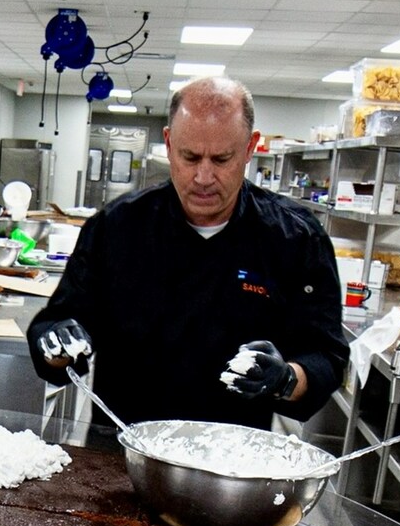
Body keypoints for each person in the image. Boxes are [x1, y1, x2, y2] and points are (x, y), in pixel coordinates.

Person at [24, 76, 348, 430]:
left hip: (232, 460)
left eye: (222, 159)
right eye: (189, 157)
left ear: (250, 147)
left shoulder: (294, 238)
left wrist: (286, 379)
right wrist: (55, 344)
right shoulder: (118, 227)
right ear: (168, 143)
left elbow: (326, 355)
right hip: (122, 449)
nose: (204, 176)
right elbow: (58, 323)